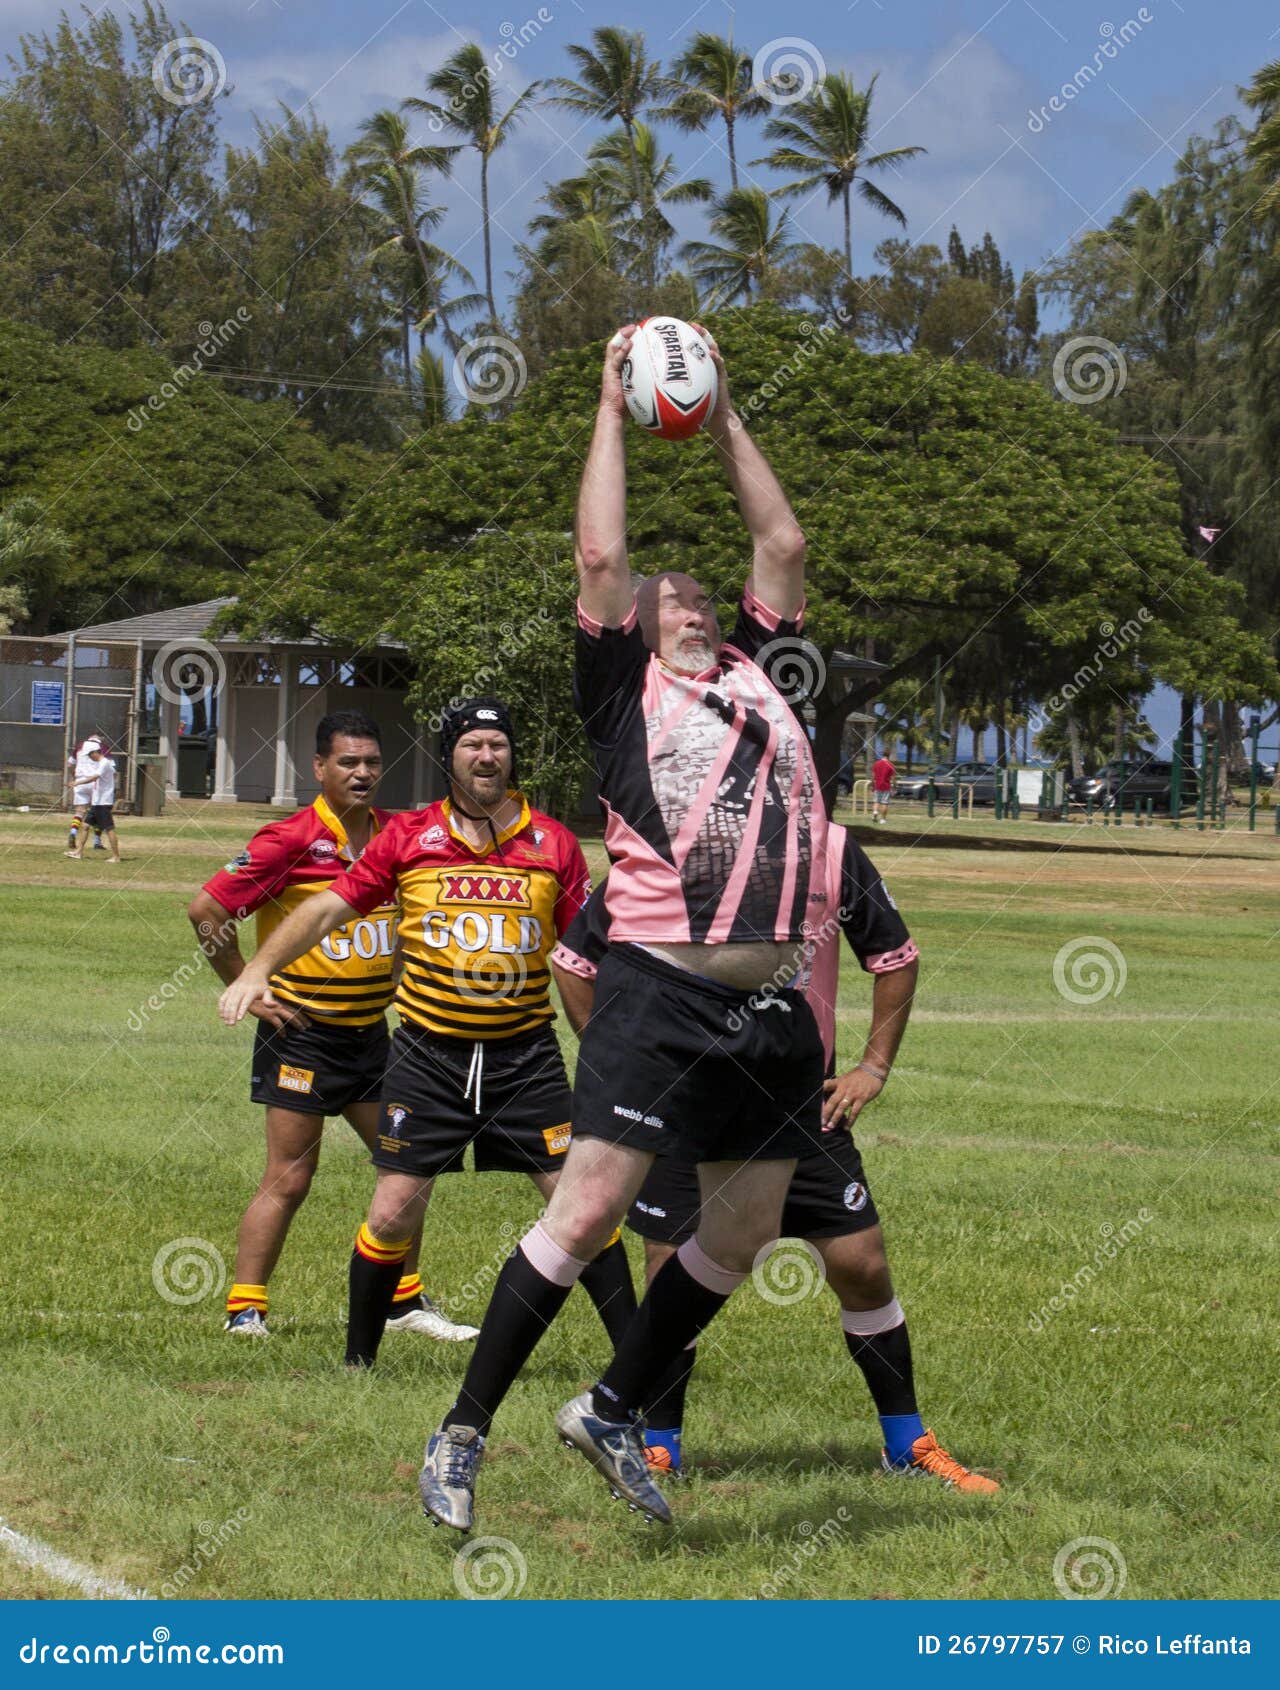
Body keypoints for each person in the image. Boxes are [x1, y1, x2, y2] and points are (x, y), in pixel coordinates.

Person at [414, 322, 832, 1532]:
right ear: (638, 628)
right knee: (586, 1209)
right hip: (659, 985)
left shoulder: (764, 672)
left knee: (742, 1234)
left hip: (773, 1006)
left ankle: (610, 1405)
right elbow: (600, 553)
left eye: (702, 594)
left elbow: (783, 538)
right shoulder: (621, 692)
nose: (687, 600)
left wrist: (722, 413)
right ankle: (460, 1434)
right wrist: (614, 400)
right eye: (668, 598)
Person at [551, 833, 997, 1494]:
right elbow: (573, 961)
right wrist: (631, 1070)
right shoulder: (666, 845)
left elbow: (895, 955)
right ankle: (659, 1445)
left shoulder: (831, 847)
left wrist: (873, 1067)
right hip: (685, 1096)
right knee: (672, 1267)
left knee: (862, 1265)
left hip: (795, 1098)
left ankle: (906, 1442)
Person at [215, 699, 635, 1374]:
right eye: (473, 744)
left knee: (580, 1206)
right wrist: (256, 970)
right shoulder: (408, 835)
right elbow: (327, 906)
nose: (487, 756)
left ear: (511, 756)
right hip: (424, 1056)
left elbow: (583, 954)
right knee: (392, 1209)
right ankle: (358, 1363)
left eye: (498, 744)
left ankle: (635, 1358)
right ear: (450, 757)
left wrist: (617, 1039)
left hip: (526, 1058)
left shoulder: (553, 843)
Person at [189, 710, 473, 1343]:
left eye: (372, 762)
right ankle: (245, 1310)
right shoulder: (289, 839)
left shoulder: (400, 835)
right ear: (320, 768)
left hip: (373, 1035)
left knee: (409, 1164)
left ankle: (403, 1303)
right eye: (349, 762)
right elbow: (207, 907)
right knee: (290, 1175)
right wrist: (246, 982)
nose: (363, 773)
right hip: (302, 1035)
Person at [64, 737, 110, 857]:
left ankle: (73, 831)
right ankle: (97, 841)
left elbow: (69, 764)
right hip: (94, 783)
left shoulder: (79, 746)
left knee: (80, 811)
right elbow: (111, 768)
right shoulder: (103, 748)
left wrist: (75, 777)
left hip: (80, 781)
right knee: (96, 812)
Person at [871, 750, 896, 824]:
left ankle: (875, 812)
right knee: (885, 803)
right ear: (889, 755)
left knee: (876, 801)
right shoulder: (891, 765)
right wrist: (894, 786)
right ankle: (883, 819)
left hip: (877, 785)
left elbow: (873, 776)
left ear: (883, 754)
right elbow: (893, 778)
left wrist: (872, 785)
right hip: (886, 786)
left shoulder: (876, 764)